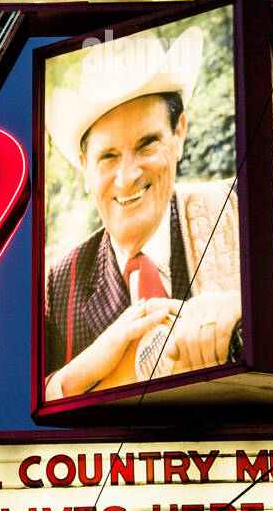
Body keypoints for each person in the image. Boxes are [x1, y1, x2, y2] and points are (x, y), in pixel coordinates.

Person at [43, 24, 242, 400]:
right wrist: (76, 375)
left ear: (178, 135)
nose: (127, 176)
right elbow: (22, 405)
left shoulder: (239, 212)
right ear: (83, 167)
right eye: (108, 157)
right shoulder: (57, 286)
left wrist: (243, 311)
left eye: (147, 144)